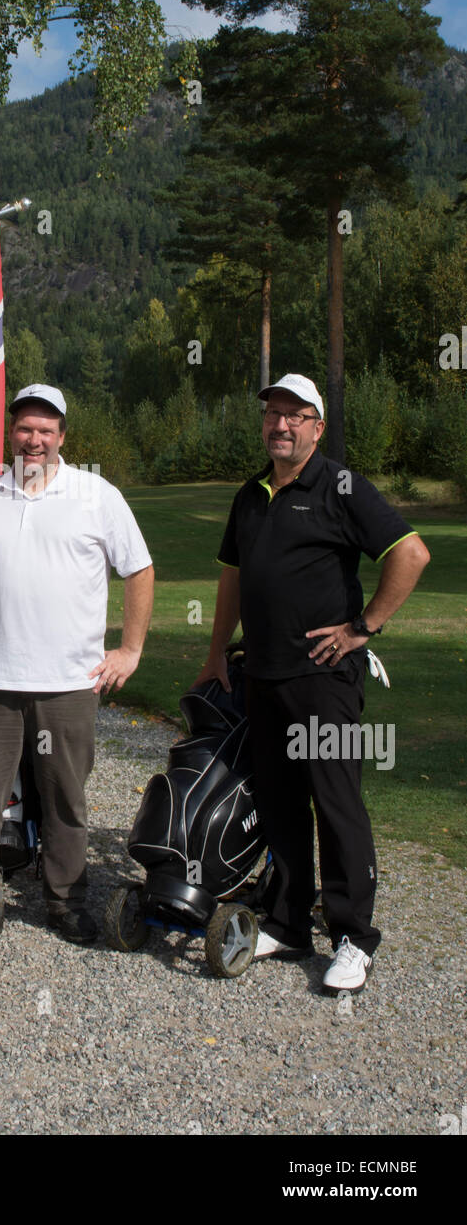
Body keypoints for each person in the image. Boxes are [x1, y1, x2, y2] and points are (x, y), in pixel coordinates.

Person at [193, 374, 430, 992]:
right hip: (263, 675)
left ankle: (354, 936)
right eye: (273, 413)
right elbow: (233, 577)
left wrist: (363, 627)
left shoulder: (341, 485)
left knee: (335, 802)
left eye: (295, 415)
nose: (280, 424)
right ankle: (289, 921)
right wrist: (216, 651)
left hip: (324, 678)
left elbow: (411, 554)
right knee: (278, 803)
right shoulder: (251, 494)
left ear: (317, 428)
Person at [0, 384, 155, 970]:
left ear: (62, 437)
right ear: (12, 433)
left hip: (68, 683)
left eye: (46, 430)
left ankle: (65, 901)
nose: (35, 440)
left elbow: (139, 568)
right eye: (25, 429)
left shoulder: (96, 496)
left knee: (65, 801)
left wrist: (130, 649)